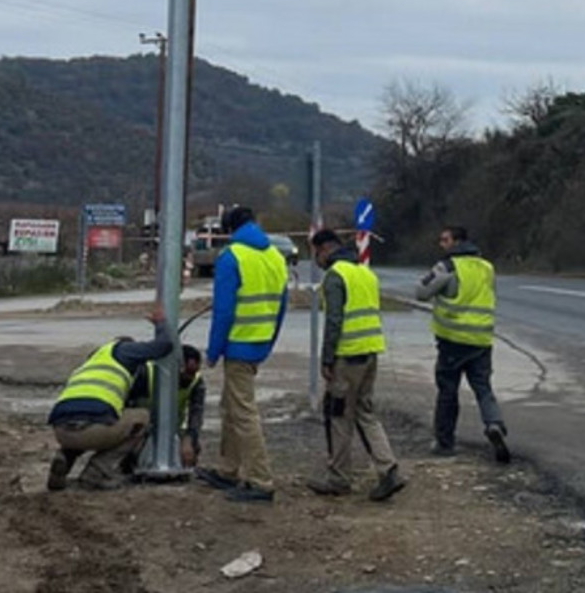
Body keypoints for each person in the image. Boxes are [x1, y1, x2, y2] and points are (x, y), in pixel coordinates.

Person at [196, 206, 287, 503]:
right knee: (231, 406)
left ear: (229, 229)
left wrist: (213, 351)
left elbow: (223, 311)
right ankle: (228, 469)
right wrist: (268, 342)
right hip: (259, 343)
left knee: (244, 412)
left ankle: (261, 480)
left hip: (238, 344)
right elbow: (282, 305)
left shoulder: (231, 257)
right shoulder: (275, 256)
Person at [306, 229, 406, 501]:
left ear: (325, 249)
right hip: (370, 353)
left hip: (347, 357)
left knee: (339, 415)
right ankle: (388, 468)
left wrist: (327, 359)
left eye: (316, 253)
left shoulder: (335, 276)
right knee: (365, 412)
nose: (316, 259)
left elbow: (334, 321)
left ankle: (339, 478)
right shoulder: (365, 273)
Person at [46, 306, 176, 491]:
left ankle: (64, 459)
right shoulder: (125, 350)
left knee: (84, 418)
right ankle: (96, 471)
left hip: (61, 431)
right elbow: (164, 346)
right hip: (92, 430)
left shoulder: (92, 360)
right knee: (142, 418)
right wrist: (161, 324)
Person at [416, 225, 509, 463]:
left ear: (457, 242)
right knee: (483, 388)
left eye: (445, 240)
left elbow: (421, 292)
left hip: (452, 341)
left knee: (448, 391)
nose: (441, 244)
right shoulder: (487, 267)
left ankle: (445, 443)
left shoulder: (447, 266)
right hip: (481, 340)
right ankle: (494, 424)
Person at [124, 344, 206, 469]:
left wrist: (189, 438)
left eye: (194, 373)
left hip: (172, 431)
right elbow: (128, 405)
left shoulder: (196, 382)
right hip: (142, 428)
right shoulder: (147, 373)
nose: (191, 378)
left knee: (192, 450)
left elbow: (196, 413)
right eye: (187, 373)